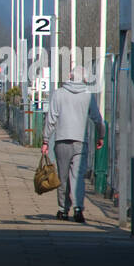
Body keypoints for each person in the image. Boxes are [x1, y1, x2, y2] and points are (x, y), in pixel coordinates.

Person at [41, 66, 104, 222]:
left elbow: (51, 118)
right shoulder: (88, 96)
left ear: (69, 76)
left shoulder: (59, 94)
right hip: (80, 142)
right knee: (77, 177)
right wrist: (100, 136)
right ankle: (78, 209)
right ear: (84, 79)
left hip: (61, 140)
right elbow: (97, 118)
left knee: (62, 176)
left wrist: (45, 140)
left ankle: (63, 209)